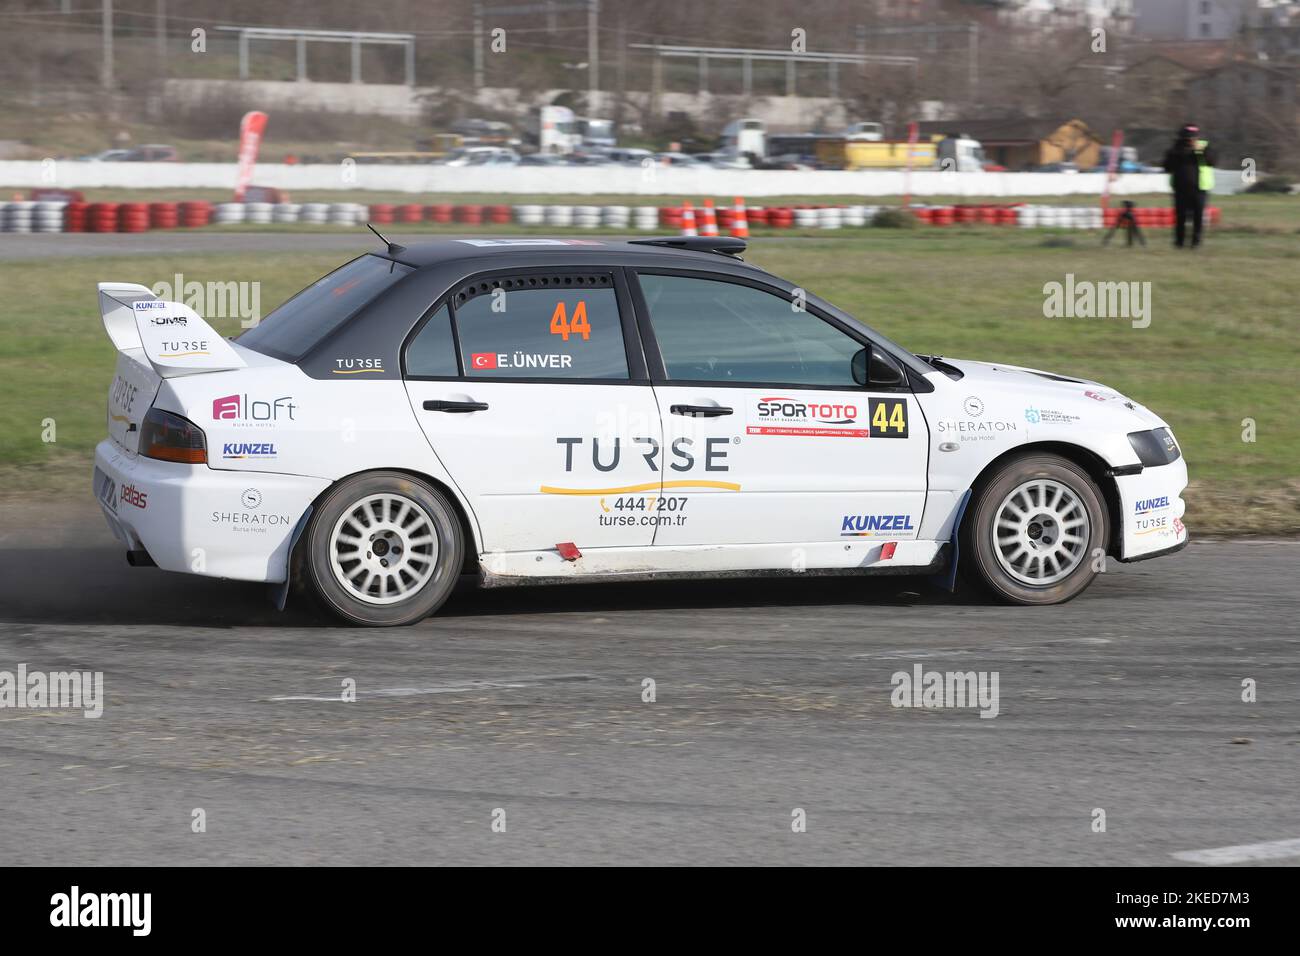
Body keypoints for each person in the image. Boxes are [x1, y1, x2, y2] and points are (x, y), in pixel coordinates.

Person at [1162, 123, 1216, 248]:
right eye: (1187, 138)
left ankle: (1196, 243)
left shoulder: (1204, 147)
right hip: (1180, 189)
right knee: (1180, 217)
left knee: (1198, 217)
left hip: (1199, 189)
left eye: (1193, 137)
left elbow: (1212, 161)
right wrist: (1178, 151)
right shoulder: (1175, 150)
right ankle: (1179, 242)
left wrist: (1199, 150)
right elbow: (1167, 166)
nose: (1190, 140)